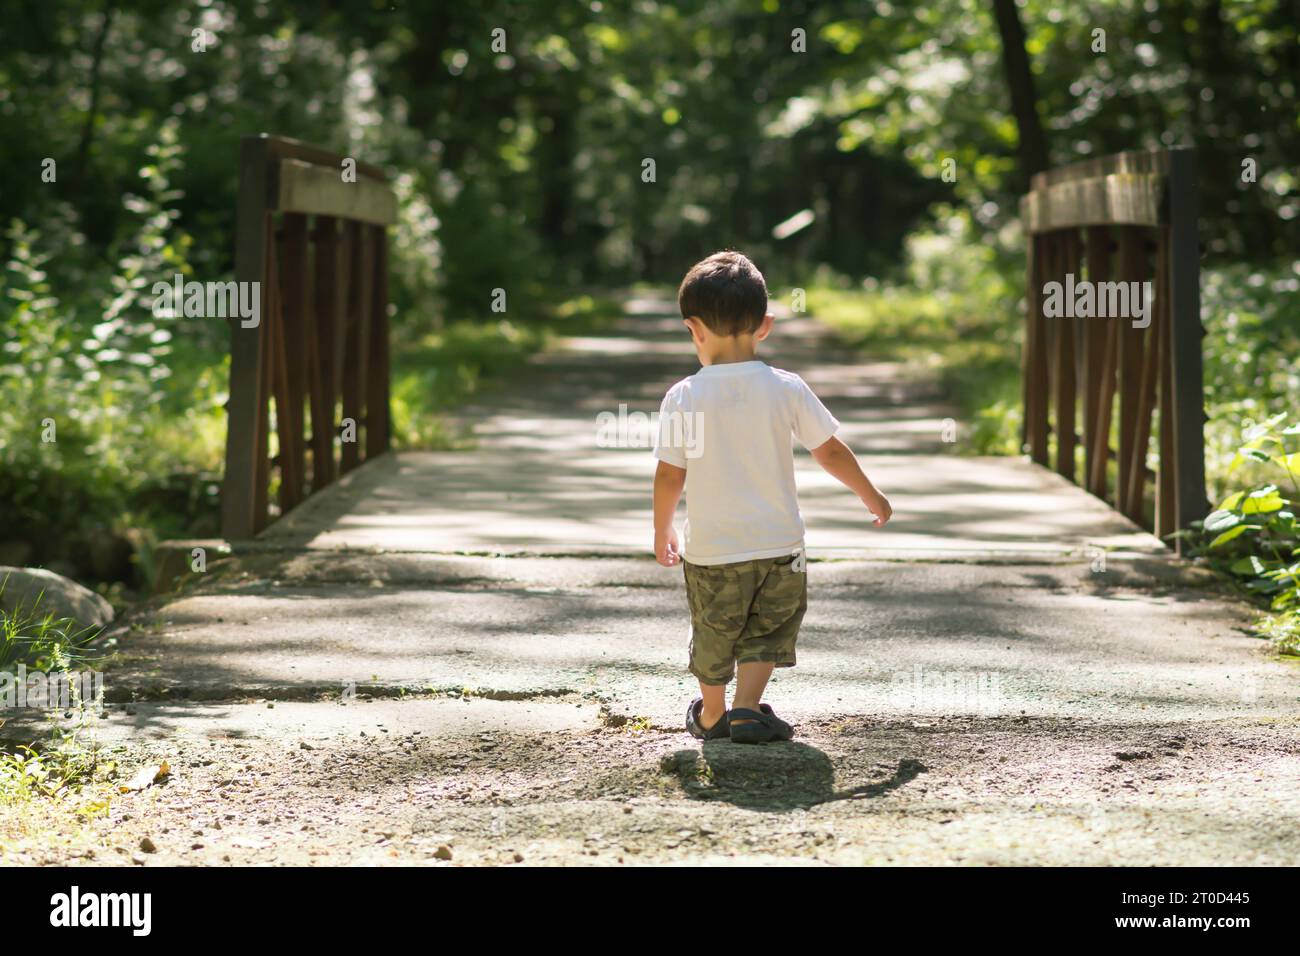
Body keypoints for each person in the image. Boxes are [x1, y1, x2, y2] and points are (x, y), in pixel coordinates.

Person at [653, 250, 892, 744]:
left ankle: (714, 713)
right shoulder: (786, 388)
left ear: (694, 329)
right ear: (765, 325)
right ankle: (747, 706)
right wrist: (871, 495)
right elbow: (830, 451)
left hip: (713, 549)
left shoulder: (684, 397)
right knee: (769, 628)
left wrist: (662, 529)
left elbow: (669, 475)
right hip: (781, 544)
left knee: (714, 630)